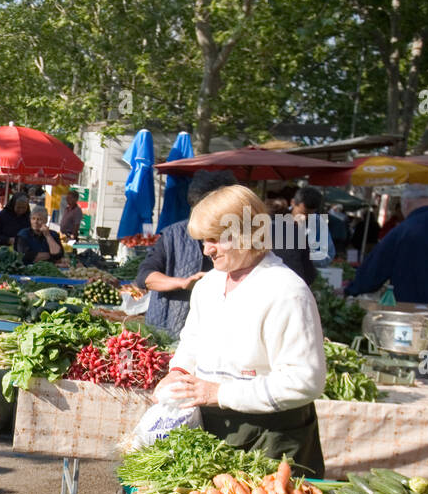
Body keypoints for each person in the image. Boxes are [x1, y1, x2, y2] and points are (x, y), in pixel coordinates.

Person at [160, 183, 327, 477]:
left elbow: (305, 381)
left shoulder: (286, 291)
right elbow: (192, 342)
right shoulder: (209, 284)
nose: (206, 249)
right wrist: (179, 373)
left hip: (274, 439)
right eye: (203, 240)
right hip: (214, 429)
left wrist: (220, 393)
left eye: (215, 239)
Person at [136, 170, 237, 338]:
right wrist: (183, 283)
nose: (208, 249)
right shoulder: (172, 235)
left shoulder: (241, 240)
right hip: (168, 330)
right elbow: (144, 277)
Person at [345, 183, 428, 306]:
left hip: (413, 309)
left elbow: (375, 270)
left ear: (406, 203)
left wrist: (351, 289)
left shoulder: (401, 231)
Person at [270, 185, 328, 285]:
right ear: (293, 203)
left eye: (310, 214)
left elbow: (327, 254)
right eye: (302, 212)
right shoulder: (275, 222)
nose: (304, 217)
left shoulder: (318, 225)